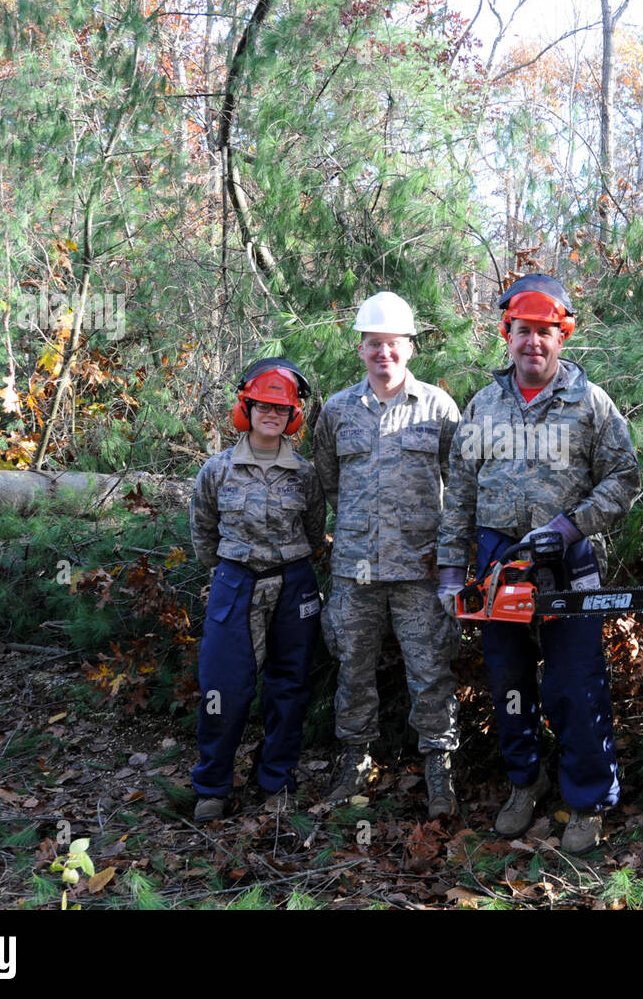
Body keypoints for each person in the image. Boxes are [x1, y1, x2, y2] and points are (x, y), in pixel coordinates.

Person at [436, 274, 641, 855]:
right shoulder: (484, 403)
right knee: (509, 683)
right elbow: (462, 494)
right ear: (508, 334)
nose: (534, 343)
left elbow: (625, 478)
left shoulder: (590, 403)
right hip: (496, 557)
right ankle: (525, 783)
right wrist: (454, 571)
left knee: (576, 686)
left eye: (545, 332)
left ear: (562, 336)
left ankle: (588, 800)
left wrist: (568, 525)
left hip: (567, 557)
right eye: (523, 331)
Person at [311, 291, 462, 817]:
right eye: (373, 344)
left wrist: (447, 557)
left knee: (431, 672)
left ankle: (439, 769)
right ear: (360, 349)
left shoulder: (439, 409)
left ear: (410, 348)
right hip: (356, 570)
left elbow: (459, 486)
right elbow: (330, 484)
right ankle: (354, 760)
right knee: (352, 669)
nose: (384, 354)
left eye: (393, 344)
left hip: (421, 571)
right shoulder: (336, 412)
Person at [189, 358, 325, 823]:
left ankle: (275, 779)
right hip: (236, 580)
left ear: (294, 417)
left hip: (293, 581)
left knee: (289, 686)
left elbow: (314, 526)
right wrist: (230, 570)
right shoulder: (218, 470)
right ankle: (212, 785)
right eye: (264, 406)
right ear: (246, 408)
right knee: (223, 686)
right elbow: (203, 531)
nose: (272, 415)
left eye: (281, 410)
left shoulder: (305, 474)